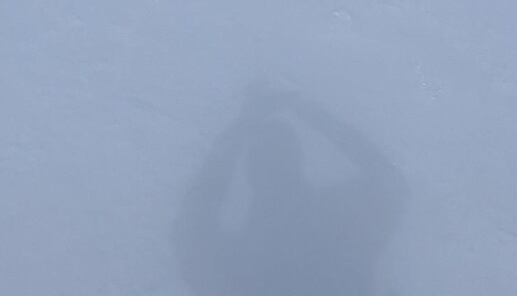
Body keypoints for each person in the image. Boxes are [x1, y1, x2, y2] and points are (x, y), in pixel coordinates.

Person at [174, 85, 407, 295]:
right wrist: (305, 109)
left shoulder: (235, 261)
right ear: (297, 161)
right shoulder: (342, 225)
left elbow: (196, 211)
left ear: (250, 172)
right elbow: (387, 177)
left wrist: (242, 124)